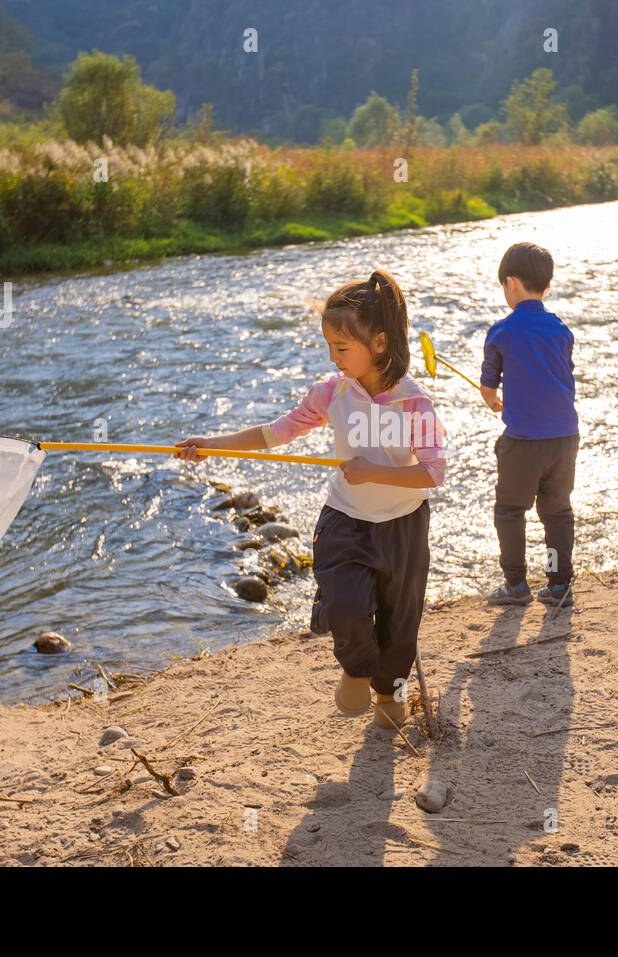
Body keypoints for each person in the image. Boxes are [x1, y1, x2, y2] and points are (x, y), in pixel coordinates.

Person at [176, 270, 445, 728]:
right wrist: (212, 443)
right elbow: (273, 433)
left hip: (404, 525)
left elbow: (432, 474)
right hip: (345, 519)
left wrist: (372, 470)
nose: (333, 358)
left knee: (402, 624)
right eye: (329, 347)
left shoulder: (414, 403)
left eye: (342, 349)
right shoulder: (331, 392)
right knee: (343, 606)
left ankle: (390, 693)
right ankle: (357, 668)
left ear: (379, 343)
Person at [480, 242, 579, 607]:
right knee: (556, 512)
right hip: (566, 438)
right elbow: (559, 377)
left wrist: (493, 402)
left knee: (510, 510)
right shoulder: (561, 330)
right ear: (546, 287)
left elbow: (489, 387)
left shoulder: (502, 332)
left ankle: (516, 584)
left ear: (512, 283)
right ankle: (558, 584)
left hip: (523, 442)